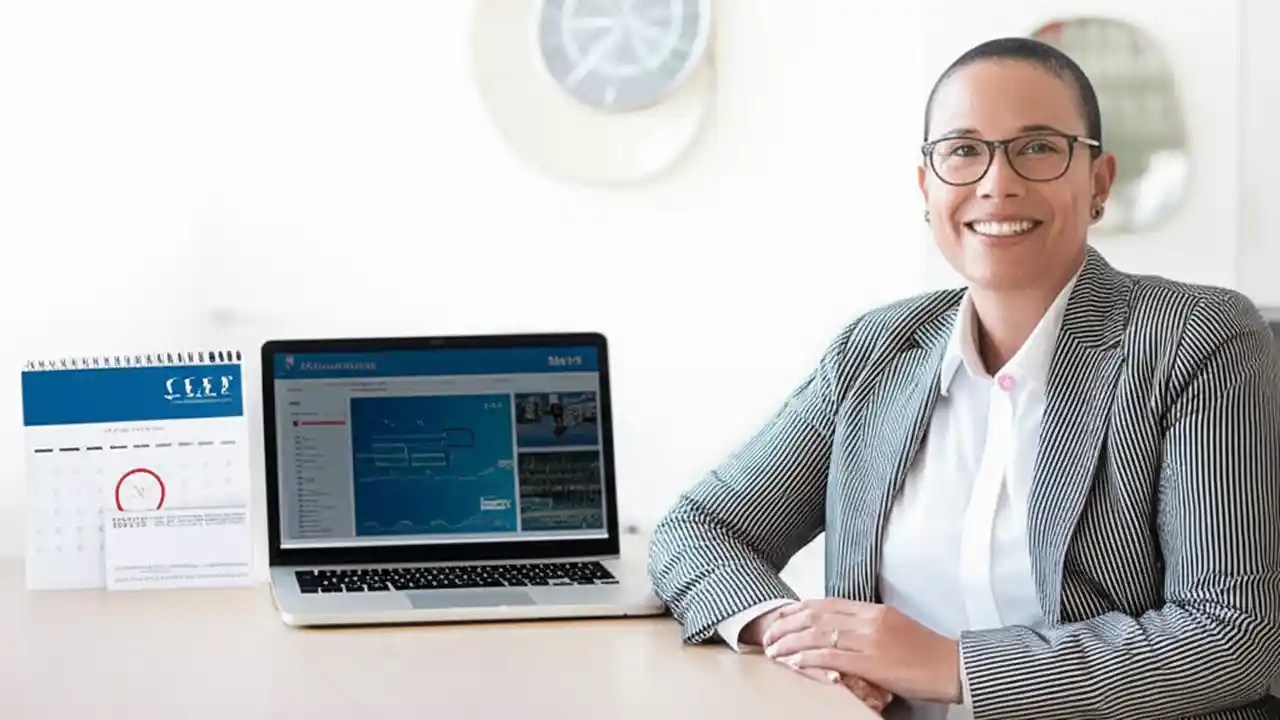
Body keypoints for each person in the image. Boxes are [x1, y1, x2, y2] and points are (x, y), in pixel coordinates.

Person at [647, 36, 1280, 719]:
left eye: (1038, 147)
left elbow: (1232, 637)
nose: (996, 183)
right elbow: (701, 527)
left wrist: (953, 666)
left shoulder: (1197, 339)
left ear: (1098, 183)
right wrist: (791, 632)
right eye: (962, 150)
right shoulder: (876, 352)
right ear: (928, 188)